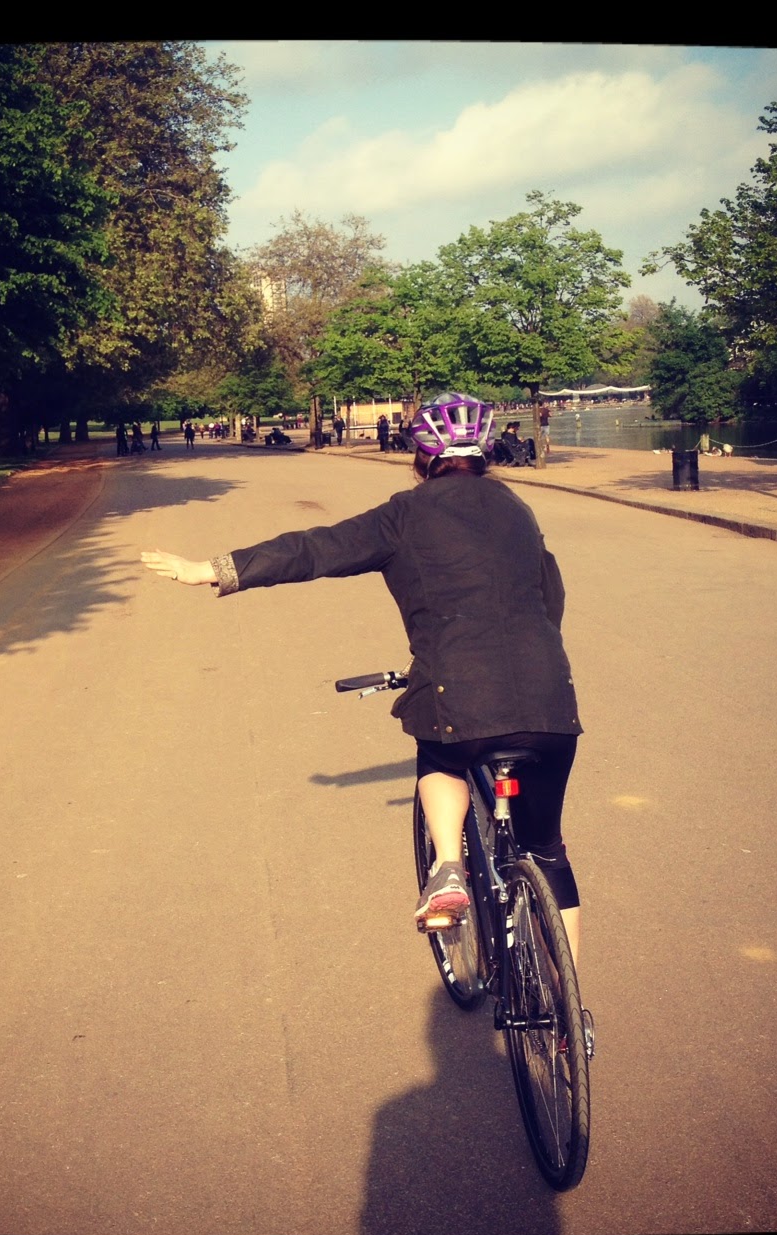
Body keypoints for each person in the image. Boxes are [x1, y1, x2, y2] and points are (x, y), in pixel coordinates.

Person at [140, 391, 586, 970]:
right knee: (547, 851)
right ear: (485, 453)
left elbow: (316, 549)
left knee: (441, 757)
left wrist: (214, 570)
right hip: (551, 702)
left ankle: (448, 867)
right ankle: (569, 1002)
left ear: (421, 456)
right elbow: (552, 593)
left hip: (462, 696)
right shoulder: (518, 510)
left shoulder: (405, 514)